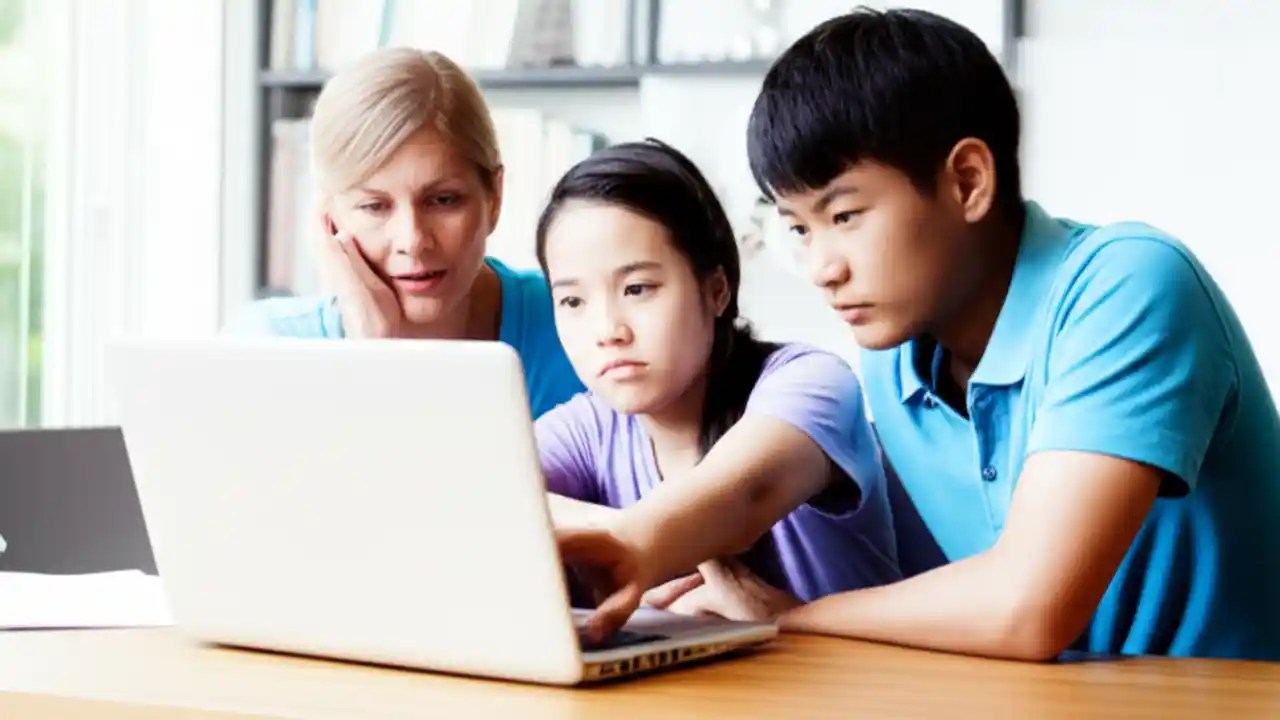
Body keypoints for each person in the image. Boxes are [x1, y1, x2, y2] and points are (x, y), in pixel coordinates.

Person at [609, 7, 1280, 661]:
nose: (822, 268)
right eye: (798, 228)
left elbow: (1027, 608)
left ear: (967, 181)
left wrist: (786, 617)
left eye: (844, 215)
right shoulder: (892, 358)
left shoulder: (1128, 284)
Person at [536, 139, 901, 642]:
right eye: (573, 300)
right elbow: (473, 492)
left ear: (716, 289)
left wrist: (615, 541)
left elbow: (744, 495)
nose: (607, 329)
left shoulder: (810, 383)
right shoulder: (590, 426)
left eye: (637, 289)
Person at [228, 48, 581, 418]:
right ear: (330, 220)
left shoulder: (579, 322)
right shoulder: (264, 350)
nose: (412, 240)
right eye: (374, 206)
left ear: (494, 198)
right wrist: (373, 357)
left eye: (443, 200)